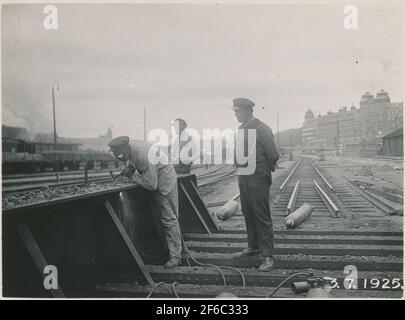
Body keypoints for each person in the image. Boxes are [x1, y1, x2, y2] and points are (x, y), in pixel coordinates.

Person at [108, 136, 182, 268]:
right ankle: (166, 250)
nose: (119, 159)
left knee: (168, 219)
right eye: (117, 156)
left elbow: (151, 185)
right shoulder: (130, 149)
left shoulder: (143, 156)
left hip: (164, 183)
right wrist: (129, 168)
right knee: (156, 217)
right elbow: (132, 161)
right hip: (155, 177)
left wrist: (131, 175)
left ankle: (176, 257)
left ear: (125, 149)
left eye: (120, 156)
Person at [232, 98, 279, 272]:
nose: (235, 114)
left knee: (261, 215)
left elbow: (273, 155)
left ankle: (268, 257)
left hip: (257, 178)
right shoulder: (241, 129)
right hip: (243, 177)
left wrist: (262, 170)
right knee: (248, 212)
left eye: (237, 111)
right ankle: (253, 247)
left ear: (247, 110)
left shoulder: (262, 128)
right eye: (235, 111)